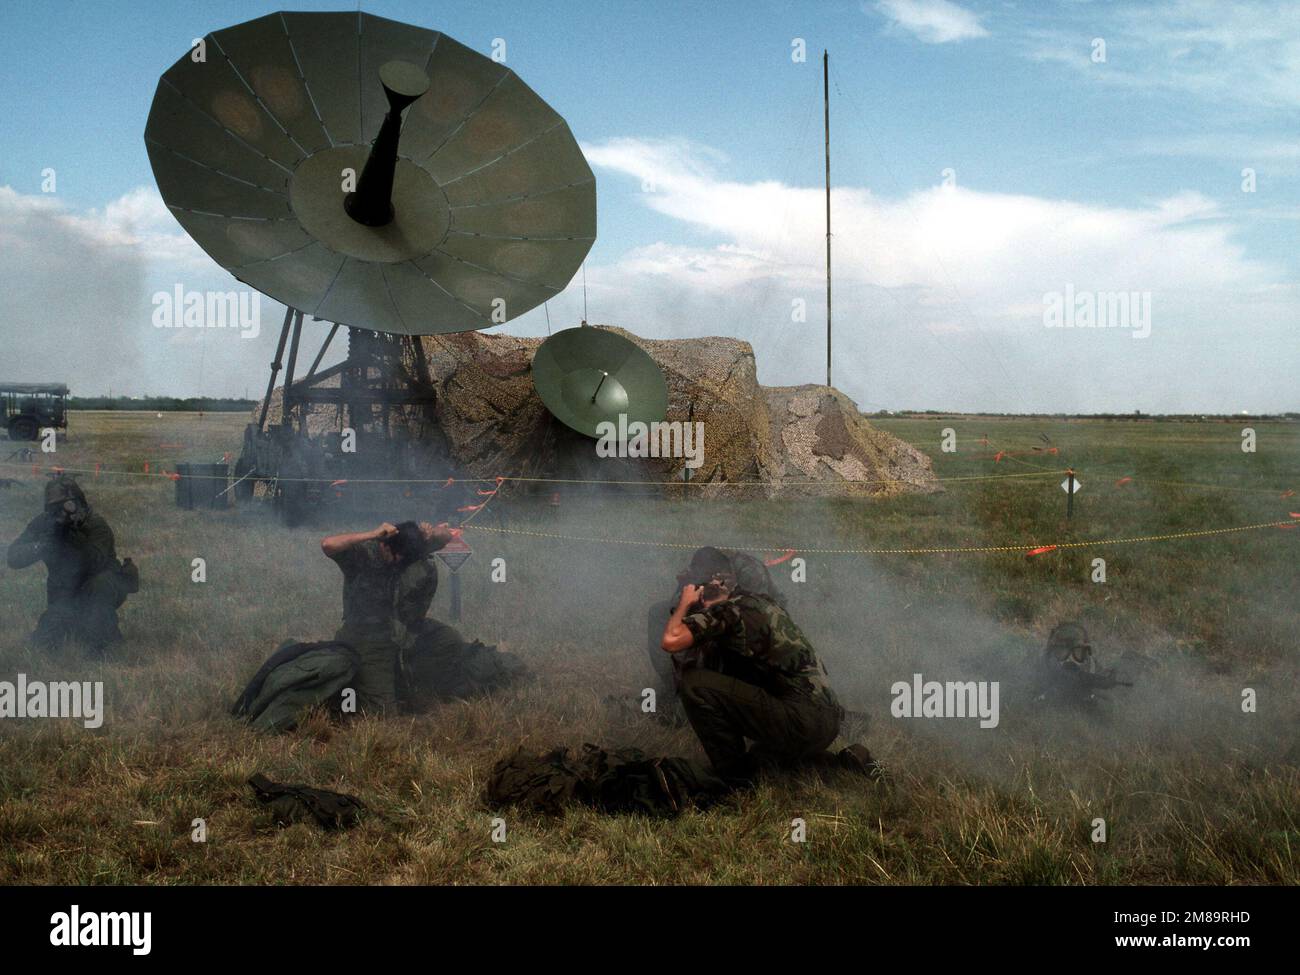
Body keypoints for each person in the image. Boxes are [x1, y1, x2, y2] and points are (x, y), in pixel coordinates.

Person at [660, 575, 872, 785]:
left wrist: (684, 603)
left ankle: (734, 781)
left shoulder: (728, 610)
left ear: (704, 601)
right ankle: (844, 764)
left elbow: (671, 640)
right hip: (826, 722)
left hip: (799, 718)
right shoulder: (763, 605)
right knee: (762, 761)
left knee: (694, 685)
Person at [320, 520, 453, 713]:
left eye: (403, 558)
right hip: (369, 639)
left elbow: (446, 536)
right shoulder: (363, 553)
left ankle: (413, 682)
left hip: (406, 630)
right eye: (394, 555)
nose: (398, 561)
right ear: (384, 544)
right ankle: (355, 687)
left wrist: (430, 533)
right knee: (383, 712)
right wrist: (372, 534)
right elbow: (328, 545)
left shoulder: (410, 547)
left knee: (449, 641)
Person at [6, 475, 137, 655]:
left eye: (67, 506)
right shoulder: (45, 524)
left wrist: (72, 539)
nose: (62, 514)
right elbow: (13, 557)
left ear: (79, 503)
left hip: (100, 588)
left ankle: (103, 640)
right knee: (45, 640)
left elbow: (94, 563)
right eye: (54, 509)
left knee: (100, 590)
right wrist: (43, 546)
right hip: (65, 593)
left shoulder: (95, 524)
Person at [643, 546, 784, 709]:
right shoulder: (699, 570)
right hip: (722, 612)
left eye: (707, 582)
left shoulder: (749, 572)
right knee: (659, 613)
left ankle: (728, 695)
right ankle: (676, 687)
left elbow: (757, 613)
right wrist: (686, 595)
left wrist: (720, 603)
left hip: (757, 627)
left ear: (720, 576)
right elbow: (676, 610)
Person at [1035, 621, 1132, 709]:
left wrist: (1091, 697)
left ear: (1085, 655)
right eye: (1062, 652)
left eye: (1078, 653)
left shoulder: (1093, 669)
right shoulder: (1037, 669)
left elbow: (1117, 707)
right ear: (1051, 653)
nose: (1070, 660)